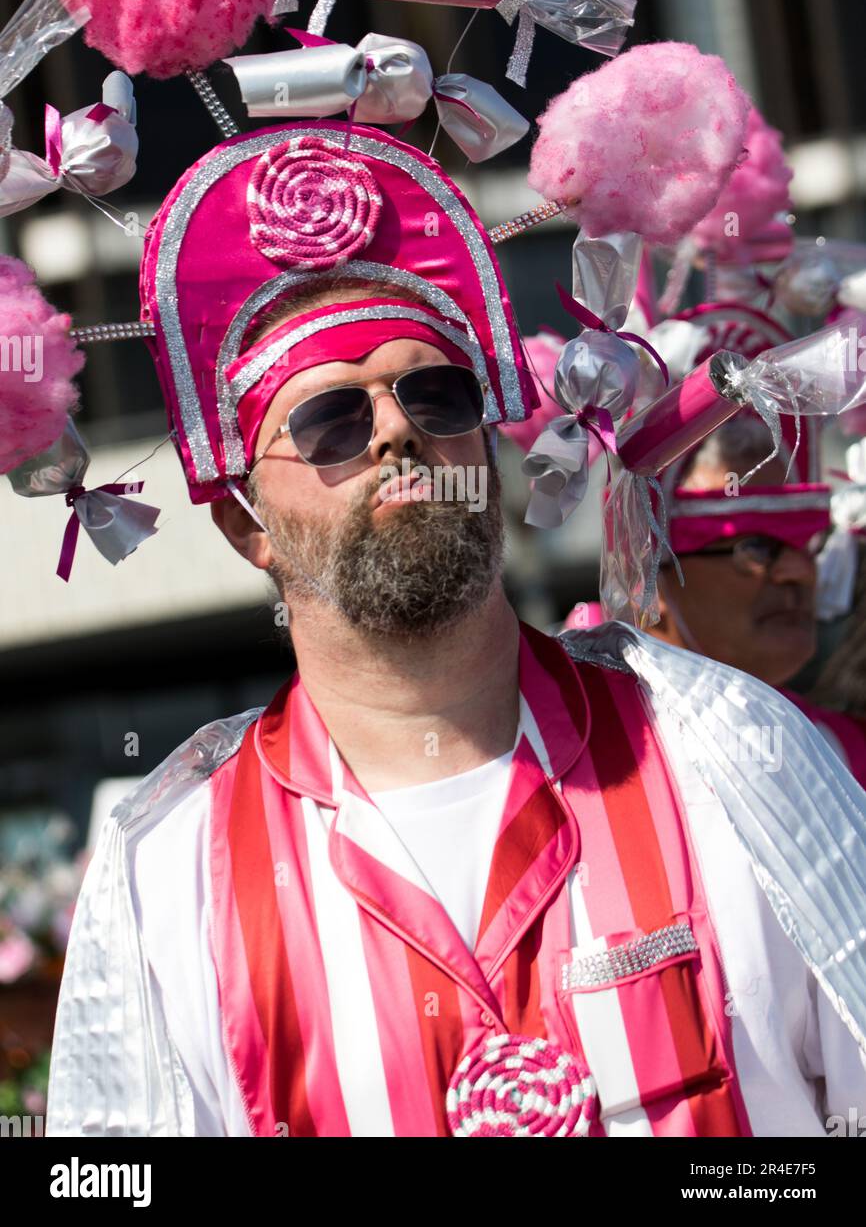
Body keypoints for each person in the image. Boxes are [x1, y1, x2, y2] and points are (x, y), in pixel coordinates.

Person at [41, 119, 866, 1139]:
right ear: (241, 522)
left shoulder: (732, 755)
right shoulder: (169, 878)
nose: (396, 428)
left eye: (436, 393)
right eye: (330, 420)